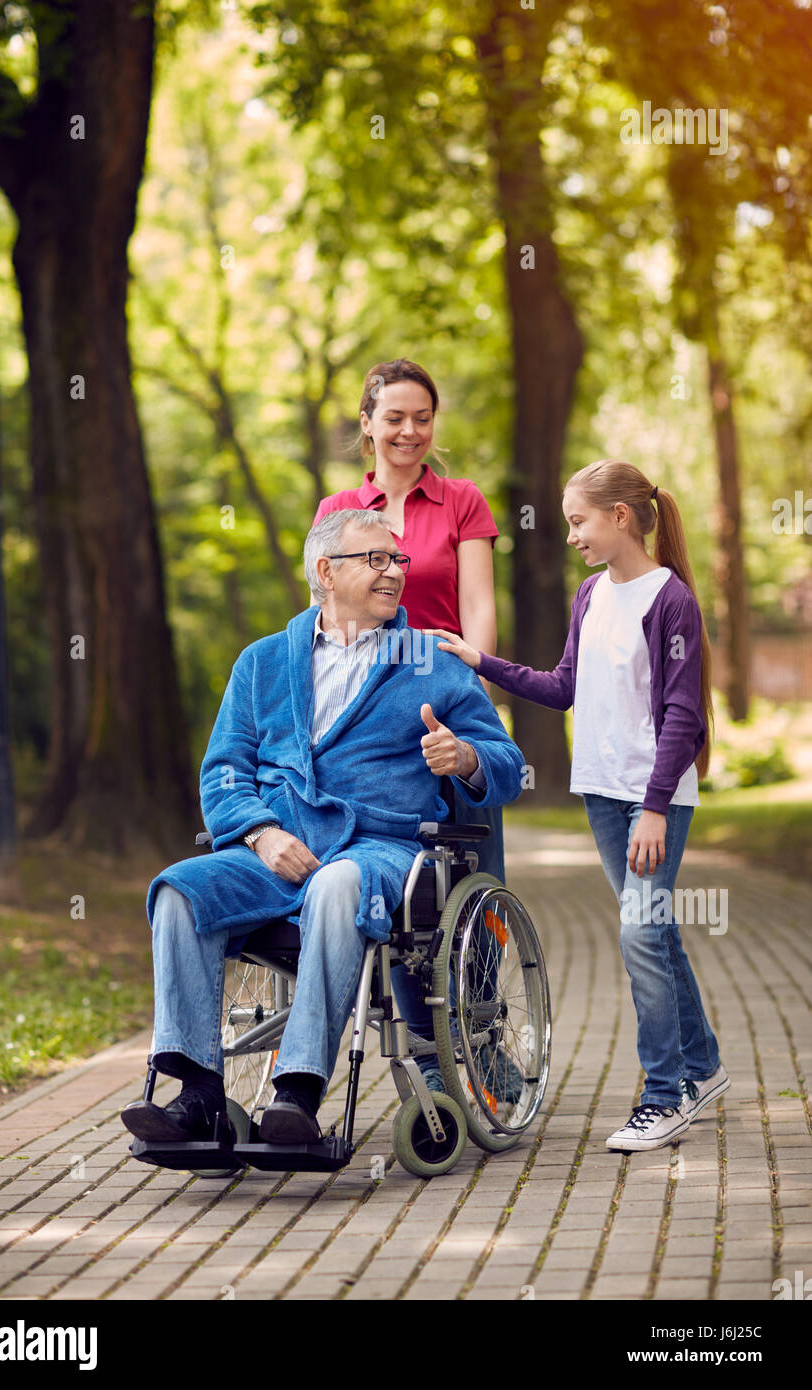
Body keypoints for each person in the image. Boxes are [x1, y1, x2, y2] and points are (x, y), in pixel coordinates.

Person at [121, 509, 526, 1151]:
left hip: (382, 849)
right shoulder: (262, 663)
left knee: (338, 883)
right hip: (277, 847)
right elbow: (224, 770)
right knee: (177, 890)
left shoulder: (432, 660)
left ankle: (297, 1096)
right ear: (325, 572)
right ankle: (198, 1095)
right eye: (375, 559)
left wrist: (468, 758)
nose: (393, 571)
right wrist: (259, 834)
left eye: (397, 560)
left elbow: (507, 762)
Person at [428, 459, 730, 1152]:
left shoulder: (670, 600)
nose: (571, 537)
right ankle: (704, 1065)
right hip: (600, 795)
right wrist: (482, 662)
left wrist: (655, 805)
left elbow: (683, 715)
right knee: (654, 933)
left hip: (653, 800)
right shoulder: (591, 596)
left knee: (639, 935)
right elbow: (563, 685)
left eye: (578, 521)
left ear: (619, 517)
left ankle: (665, 1095)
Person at [314, 358, 505, 1091]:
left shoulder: (460, 501)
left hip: (440, 702)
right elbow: (323, 607)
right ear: (367, 423)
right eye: (393, 416)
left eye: (422, 417)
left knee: (470, 885)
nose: (409, 430)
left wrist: (476, 694)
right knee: (395, 892)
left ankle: (487, 1059)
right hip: (364, 716)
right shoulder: (339, 506)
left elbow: (478, 605)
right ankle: (426, 1059)